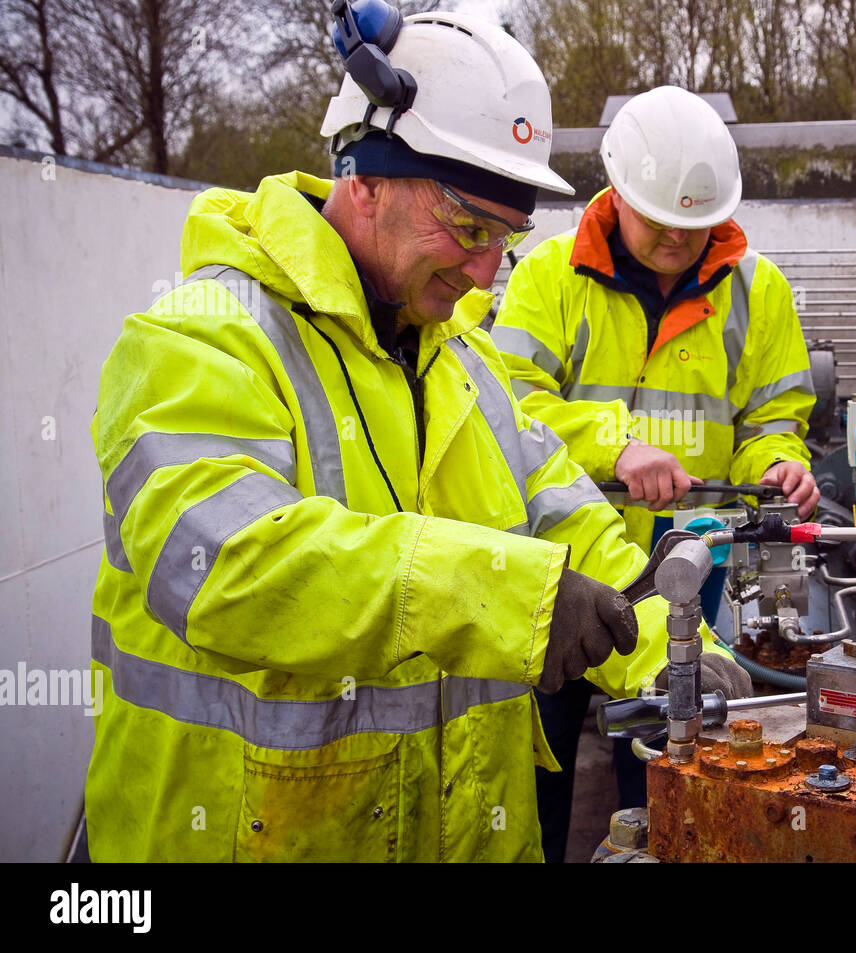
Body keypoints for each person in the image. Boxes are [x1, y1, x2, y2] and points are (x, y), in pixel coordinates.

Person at [83, 7, 742, 863]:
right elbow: (226, 565)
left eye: (503, 241)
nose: (480, 274)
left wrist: (682, 652)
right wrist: (513, 598)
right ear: (365, 180)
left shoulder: (463, 361)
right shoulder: (197, 338)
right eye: (468, 228)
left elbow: (567, 524)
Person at [491, 85, 818, 860]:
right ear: (615, 191)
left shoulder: (757, 291)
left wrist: (779, 462)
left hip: (688, 570)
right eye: (661, 221)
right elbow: (504, 407)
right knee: (539, 761)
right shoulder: (547, 279)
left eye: (695, 224)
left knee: (674, 761)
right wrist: (615, 444)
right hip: (561, 572)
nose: (679, 239)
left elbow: (771, 418)